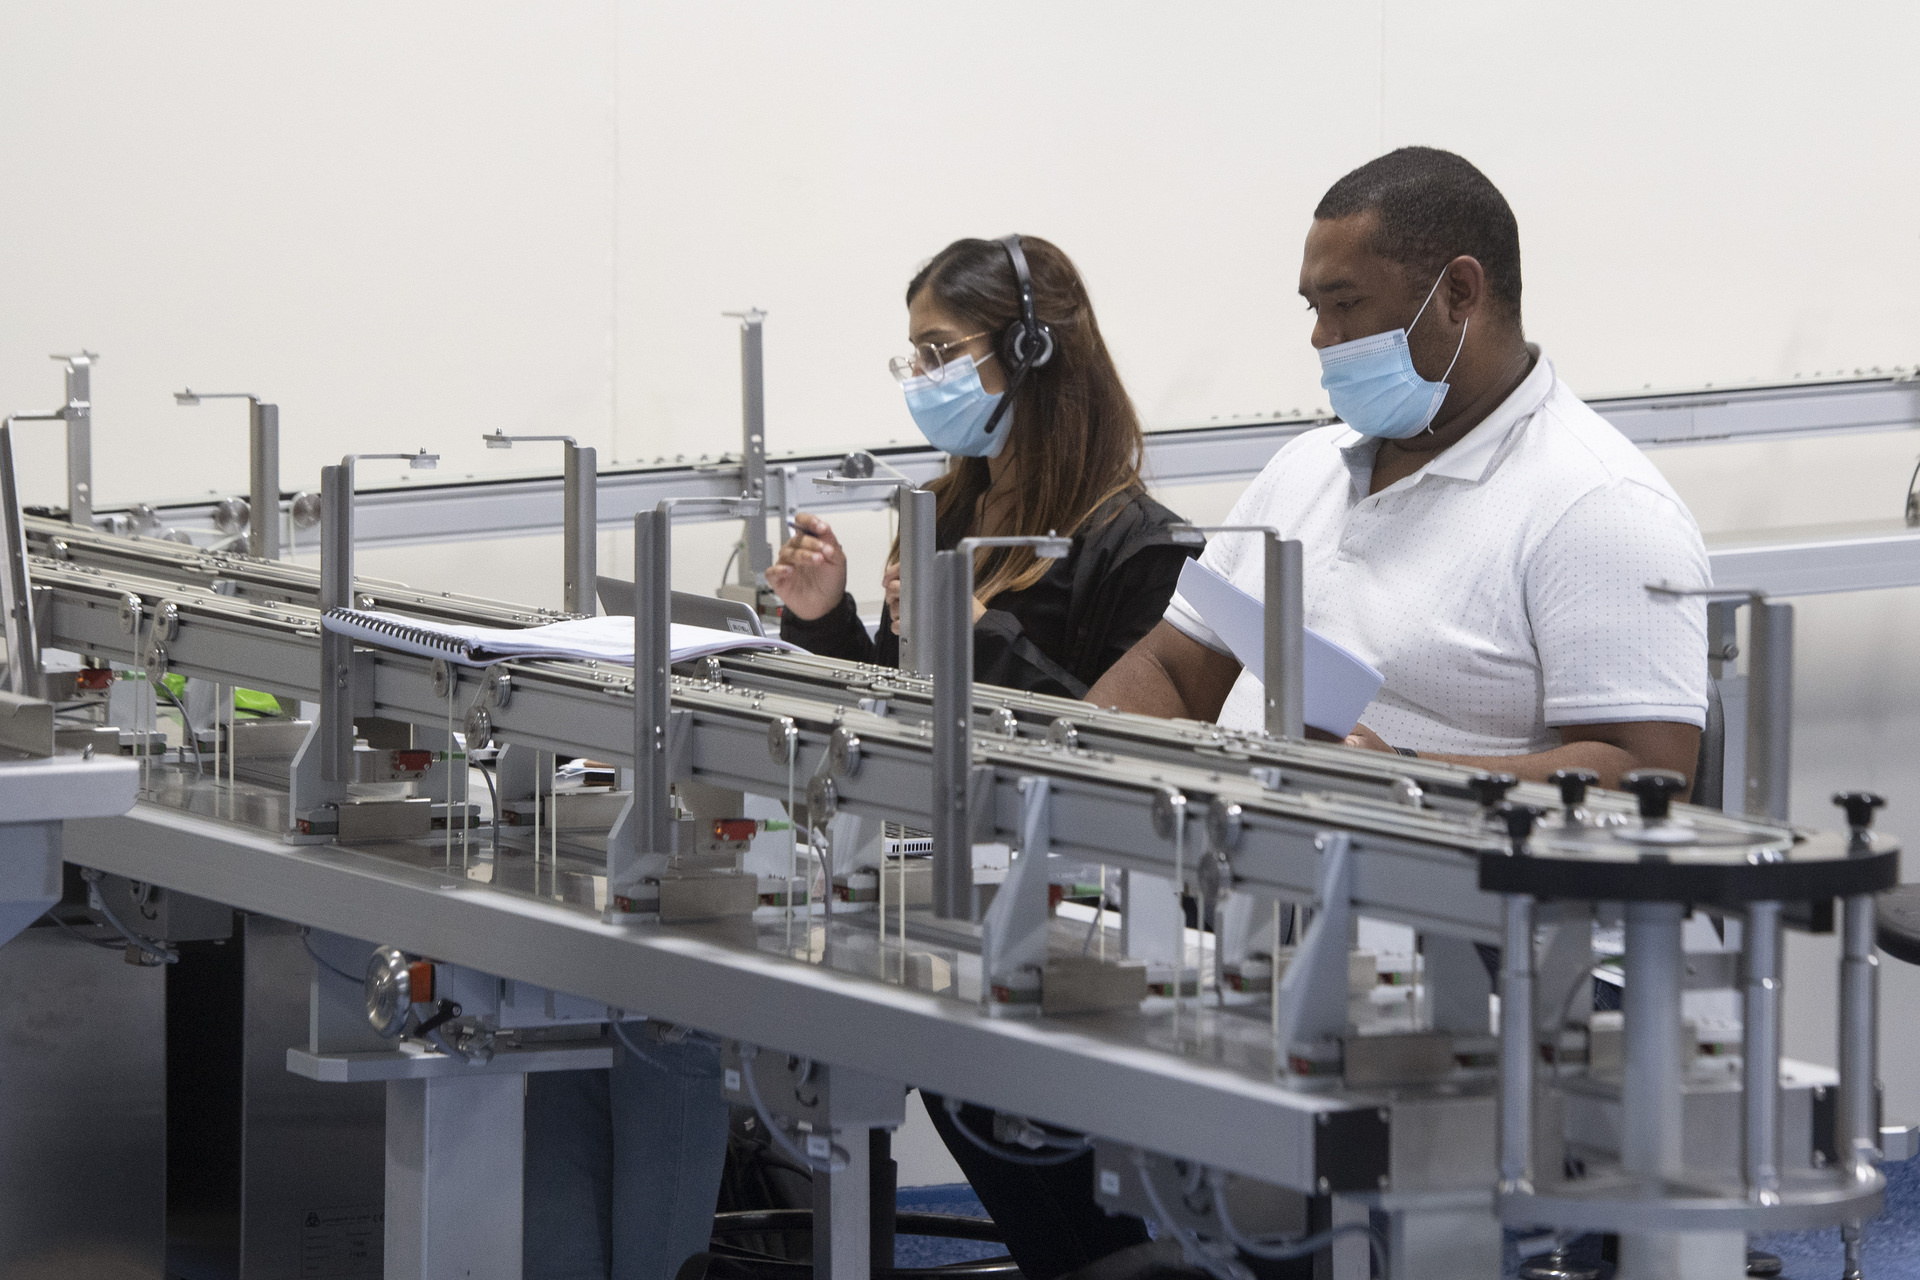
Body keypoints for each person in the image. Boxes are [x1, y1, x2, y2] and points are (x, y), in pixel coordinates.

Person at [768, 234, 1197, 1277]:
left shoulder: (1140, 546)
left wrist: (977, 631)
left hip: (1068, 904)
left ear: (1034, 352)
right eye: (913, 356)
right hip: (943, 873)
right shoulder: (950, 508)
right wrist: (824, 623)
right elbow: (903, 699)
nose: (924, 380)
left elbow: (1124, 753)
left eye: (940, 351)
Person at [1088, 148, 1710, 790]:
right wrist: (1066, 763)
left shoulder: (1601, 506)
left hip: (1431, 881)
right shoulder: (1304, 468)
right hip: (1243, 869)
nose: (1320, 336)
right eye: (1313, 309)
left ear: (1458, 293)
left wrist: (1404, 779)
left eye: (1346, 303)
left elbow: (1649, 772)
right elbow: (1172, 673)